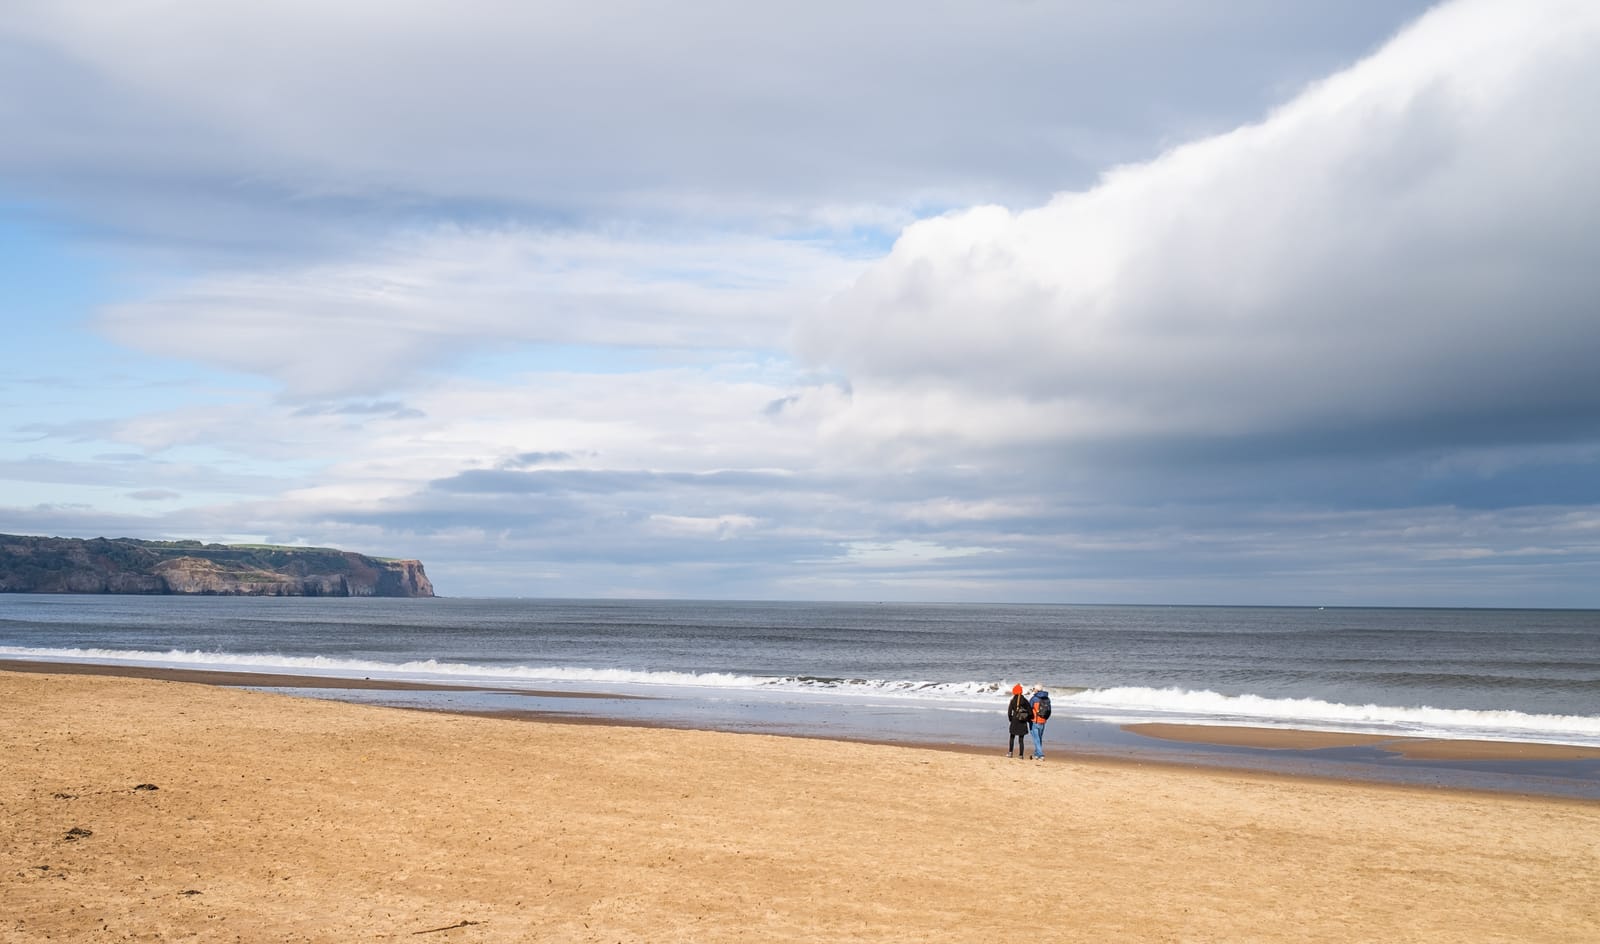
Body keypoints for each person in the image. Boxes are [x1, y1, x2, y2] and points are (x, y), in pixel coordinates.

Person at [1005, 684, 1031, 759]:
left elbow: (1009, 712)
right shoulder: (1025, 700)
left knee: (1012, 737)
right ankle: (1021, 755)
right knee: (1021, 739)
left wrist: (1011, 719)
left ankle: (1010, 753)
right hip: (1022, 721)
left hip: (1014, 720)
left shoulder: (1012, 700)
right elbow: (1030, 712)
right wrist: (1027, 719)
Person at [1028, 685, 1052, 760]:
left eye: (1034, 688)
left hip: (1035, 721)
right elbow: (1049, 711)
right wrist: (1045, 718)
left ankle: (1041, 755)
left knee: (1036, 739)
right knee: (1039, 738)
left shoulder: (1034, 699)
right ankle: (1036, 754)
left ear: (1037, 690)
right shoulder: (1047, 698)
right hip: (1043, 721)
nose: (1033, 690)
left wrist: (1028, 719)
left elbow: (1029, 709)